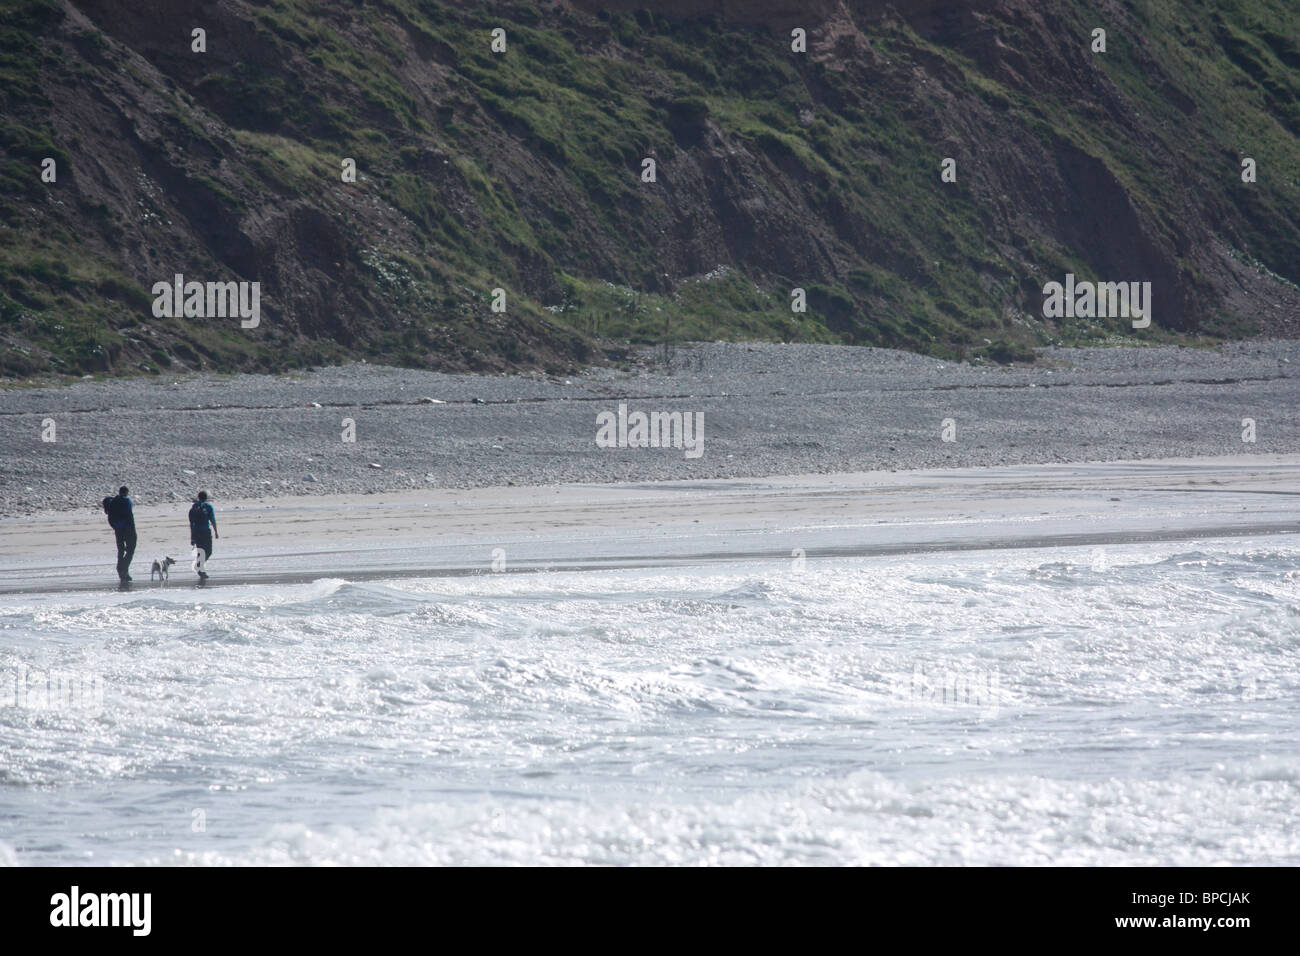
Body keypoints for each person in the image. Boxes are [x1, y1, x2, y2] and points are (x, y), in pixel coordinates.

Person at [102, 485, 136, 582]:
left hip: (118, 530)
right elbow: (129, 516)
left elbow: (109, 516)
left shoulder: (113, 502)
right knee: (130, 550)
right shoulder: (127, 501)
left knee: (121, 551)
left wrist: (116, 527)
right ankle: (123, 569)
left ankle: (122, 570)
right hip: (129, 530)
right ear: (126, 492)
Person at [188, 490, 219, 579]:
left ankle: (201, 570)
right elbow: (212, 520)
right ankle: (199, 567)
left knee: (200, 551)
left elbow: (191, 524)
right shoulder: (208, 507)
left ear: (199, 497)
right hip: (205, 531)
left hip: (196, 532)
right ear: (206, 498)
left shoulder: (193, 508)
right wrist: (216, 532)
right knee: (208, 551)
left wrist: (192, 537)